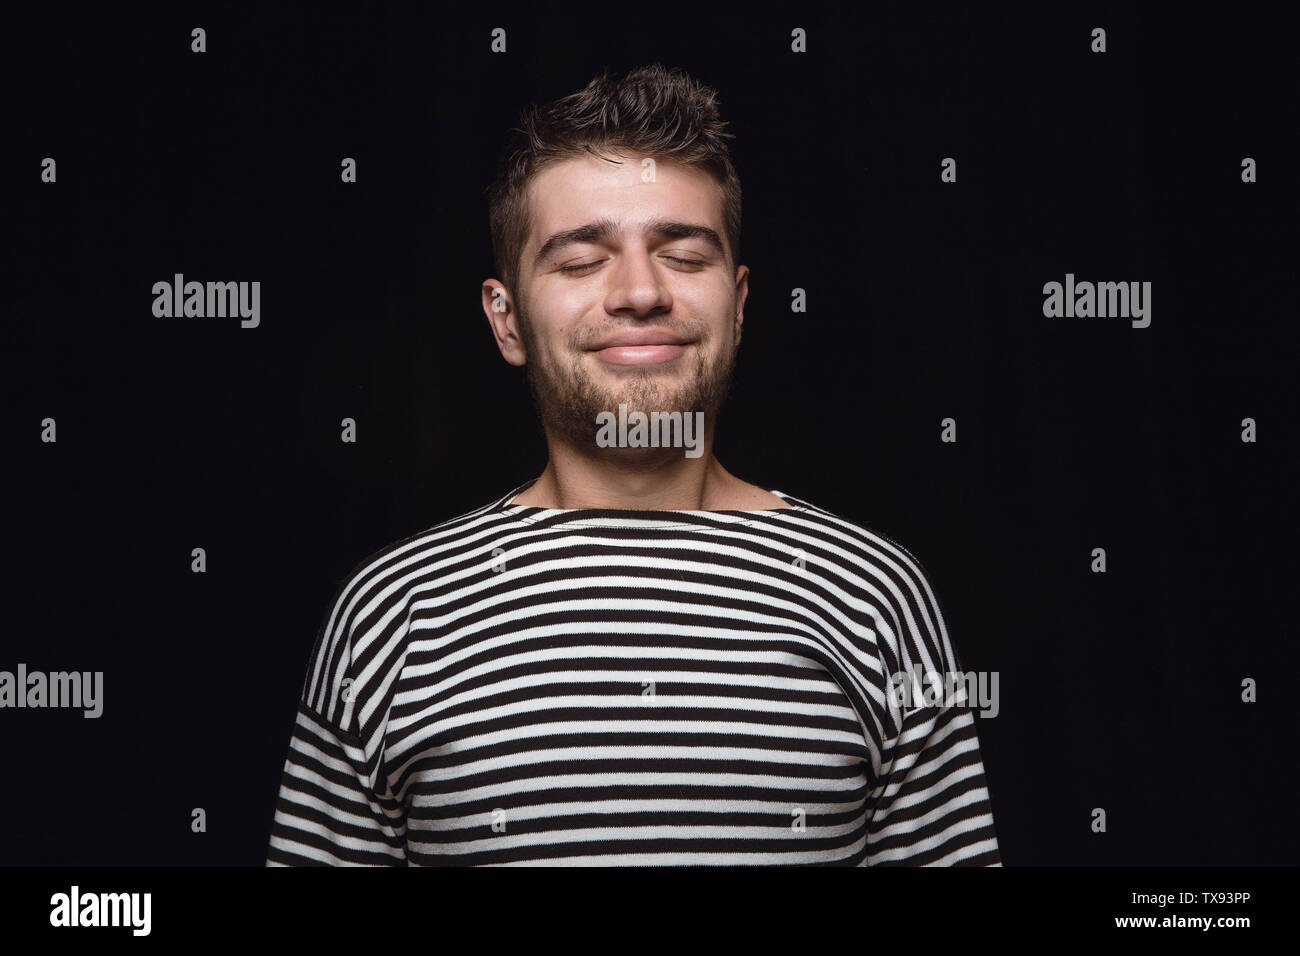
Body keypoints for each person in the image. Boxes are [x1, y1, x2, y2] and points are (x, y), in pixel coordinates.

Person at [266, 63, 1001, 866]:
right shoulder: (391, 618)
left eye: (683, 254)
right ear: (505, 321)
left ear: (741, 304)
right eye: (581, 261)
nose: (640, 292)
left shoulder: (877, 598)